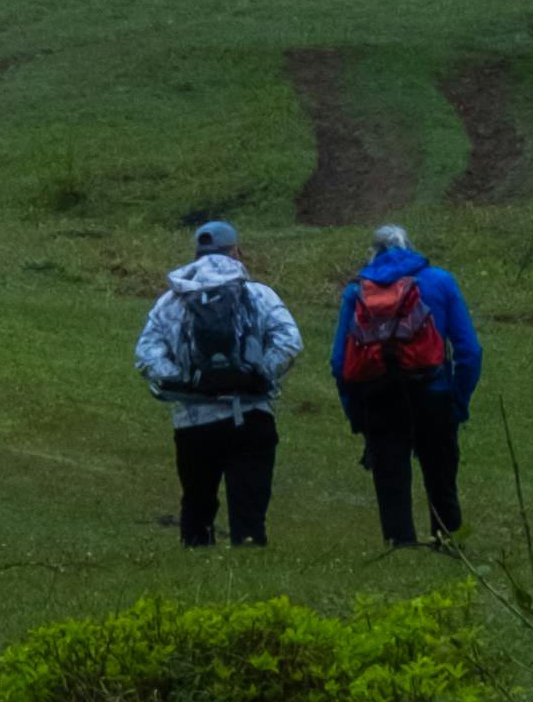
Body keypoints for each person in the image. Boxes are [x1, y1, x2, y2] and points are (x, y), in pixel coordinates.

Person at [133, 214, 298, 546]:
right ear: (235, 251)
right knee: (249, 509)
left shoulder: (171, 300)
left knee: (197, 503)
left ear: (196, 254)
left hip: (193, 422)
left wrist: (186, 381)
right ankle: (249, 567)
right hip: (251, 415)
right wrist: (259, 373)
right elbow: (289, 341)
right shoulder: (259, 295)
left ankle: (196, 567)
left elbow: (146, 354)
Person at [328, 217, 482, 544]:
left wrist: (356, 412)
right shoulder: (441, 281)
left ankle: (400, 543)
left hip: (380, 396)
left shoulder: (357, 291)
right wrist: (458, 401)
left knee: (391, 478)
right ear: (409, 247)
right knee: (441, 476)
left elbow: (339, 363)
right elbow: (470, 351)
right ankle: (448, 540)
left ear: (374, 252)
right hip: (433, 391)